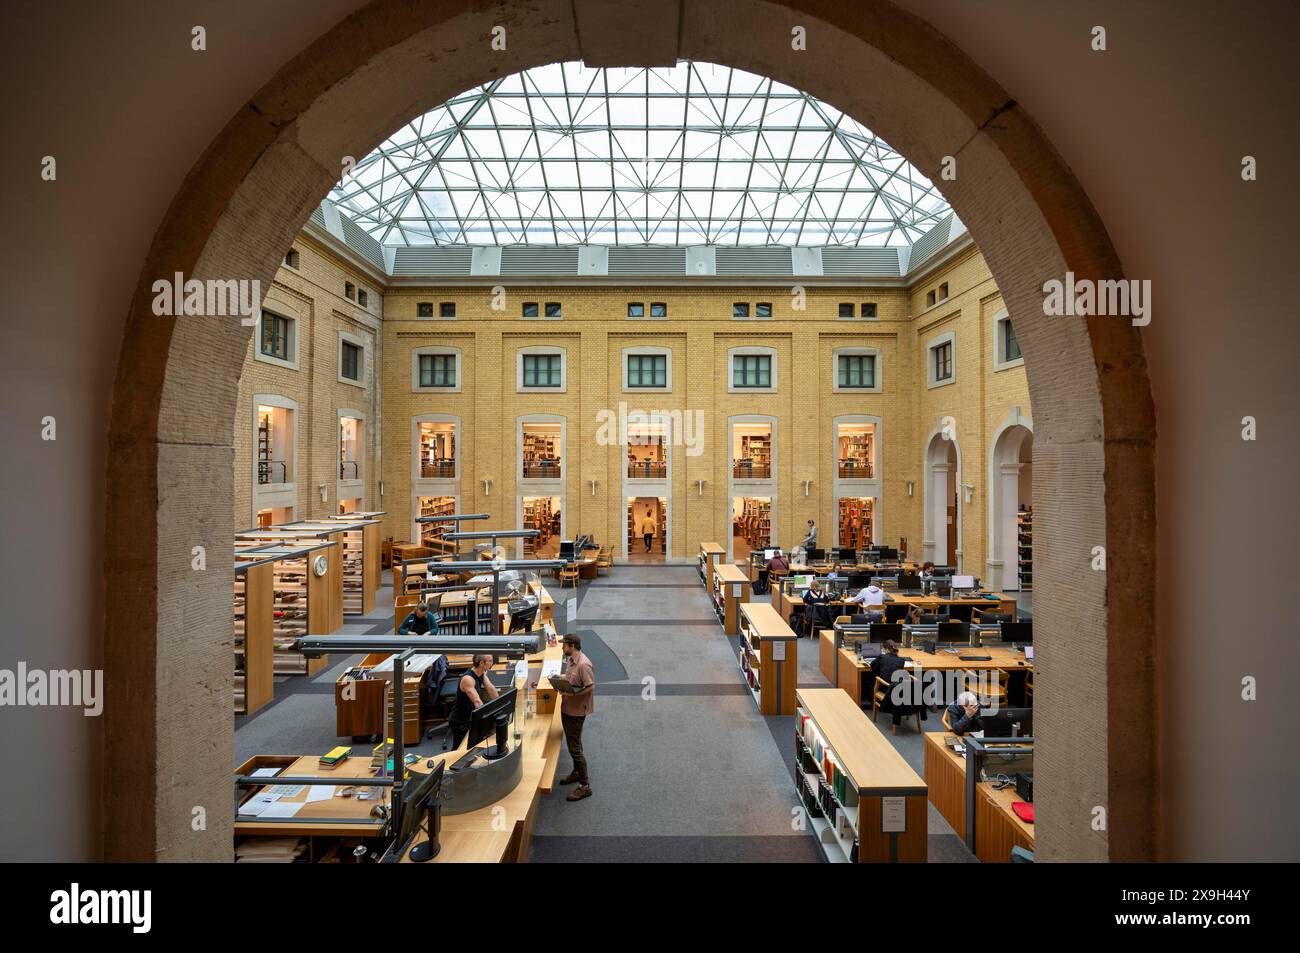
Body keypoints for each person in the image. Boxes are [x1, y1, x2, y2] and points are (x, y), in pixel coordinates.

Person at [558, 634, 595, 801]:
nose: (562, 647)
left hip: (576, 711)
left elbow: (590, 687)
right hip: (567, 708)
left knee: (574, 748)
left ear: (571, 645)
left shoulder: (583, 664)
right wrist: (557, 679)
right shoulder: (572, 660)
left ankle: (584, 786)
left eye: (564, 645)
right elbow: (570, 679)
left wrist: (573, 695)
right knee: (574, 742)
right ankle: (577, 771)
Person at [870, 640, 926, 729]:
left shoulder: (882, 657)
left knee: (874, 680)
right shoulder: (901, 660)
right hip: (901, 689)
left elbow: (872, 666)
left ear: (885, 649)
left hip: (887, 689)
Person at [446, 654, 498, 750]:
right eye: (490, 661)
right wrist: (487, 719)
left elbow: (491, 688)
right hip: (460, 721)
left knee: (473, 747)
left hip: (470, 717)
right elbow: (477, 701)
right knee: (459, 751)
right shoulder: (468, 679)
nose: (492, 663)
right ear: (482, 663)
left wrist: (500, 704)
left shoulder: (481, 673)